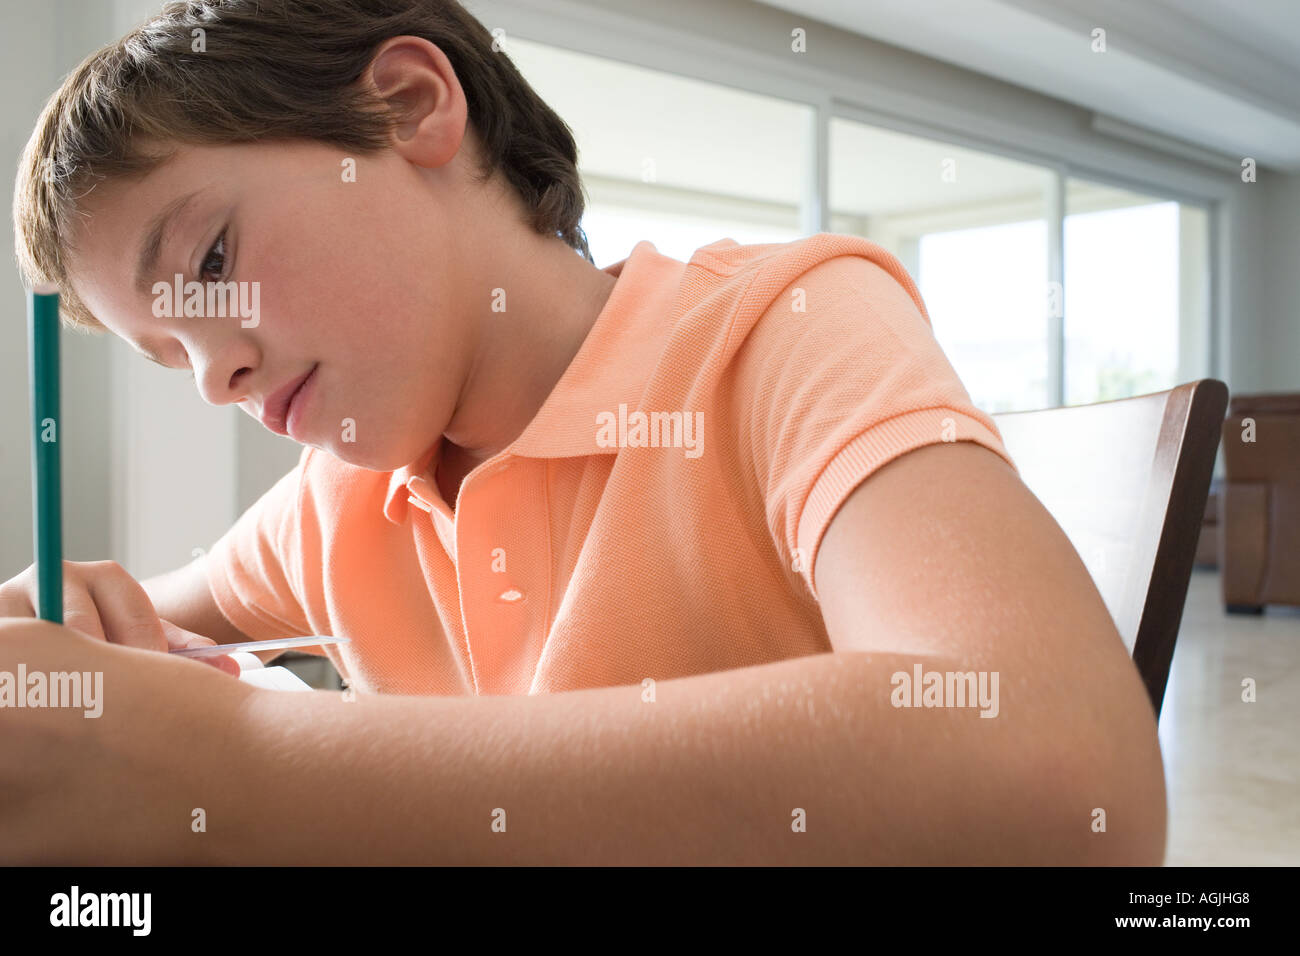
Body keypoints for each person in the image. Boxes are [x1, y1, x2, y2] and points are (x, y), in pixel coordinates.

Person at [2, 0, 1165, 864]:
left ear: (410, 105)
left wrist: (232, 762)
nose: (215, 375)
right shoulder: (346, 498)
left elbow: (1061, 772)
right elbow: (118, 618)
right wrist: (60, 624)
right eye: (170, 353)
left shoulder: (774, 331)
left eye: (208, 266)